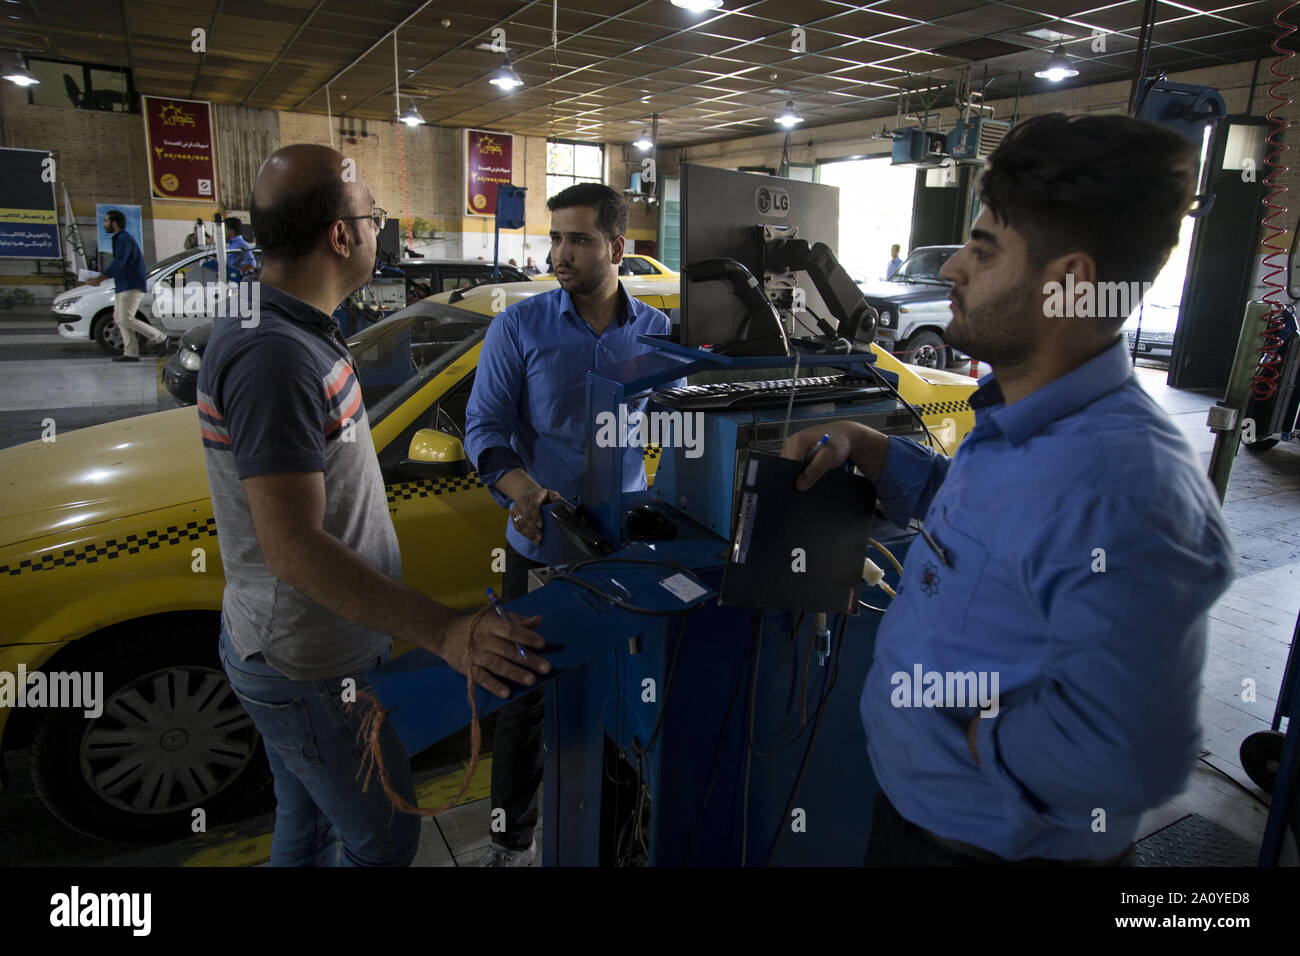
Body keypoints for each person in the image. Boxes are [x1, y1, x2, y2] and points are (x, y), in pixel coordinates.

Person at [784, 113, 1234, 865]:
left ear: (1069, 284)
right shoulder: (1022, 414)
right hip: (911, 821)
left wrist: (965, 730)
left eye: (984, 249)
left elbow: (1133, 752)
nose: (954, 268)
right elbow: (987, 538)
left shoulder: (1122, 487)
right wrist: (869, 448)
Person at [197, 144, 551, 867]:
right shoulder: (276, 358)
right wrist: (446, 632)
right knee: (384, 838)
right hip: (310, 663)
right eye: (373, 215)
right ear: (340, 234)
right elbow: (292, 548)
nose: (379, 229)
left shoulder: (291, 329)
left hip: (297, 649)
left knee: (309, 823)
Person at [464, 183, 670, 866]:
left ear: (617, 247)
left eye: (578, 239)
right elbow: (484, 429)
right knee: (522, 697)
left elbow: (685, 425)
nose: (560, 252)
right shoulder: (519, 329)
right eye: (555, 238)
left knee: (621, 693)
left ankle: (618, 834)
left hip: (624, 549)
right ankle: (508, 838)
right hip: (541, 542)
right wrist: (520, 487)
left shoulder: (656, 334)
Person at [85, 209, 168, 362]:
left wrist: (100, 278)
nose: (104, 225)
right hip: (123, 284)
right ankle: (131, 353)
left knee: (125, 318)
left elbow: (119, 262)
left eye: (106, 221)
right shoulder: (119, 239)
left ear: (114, 223)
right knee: (119, 318)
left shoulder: (124, 239)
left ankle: (160, 337)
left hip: (131, 284)